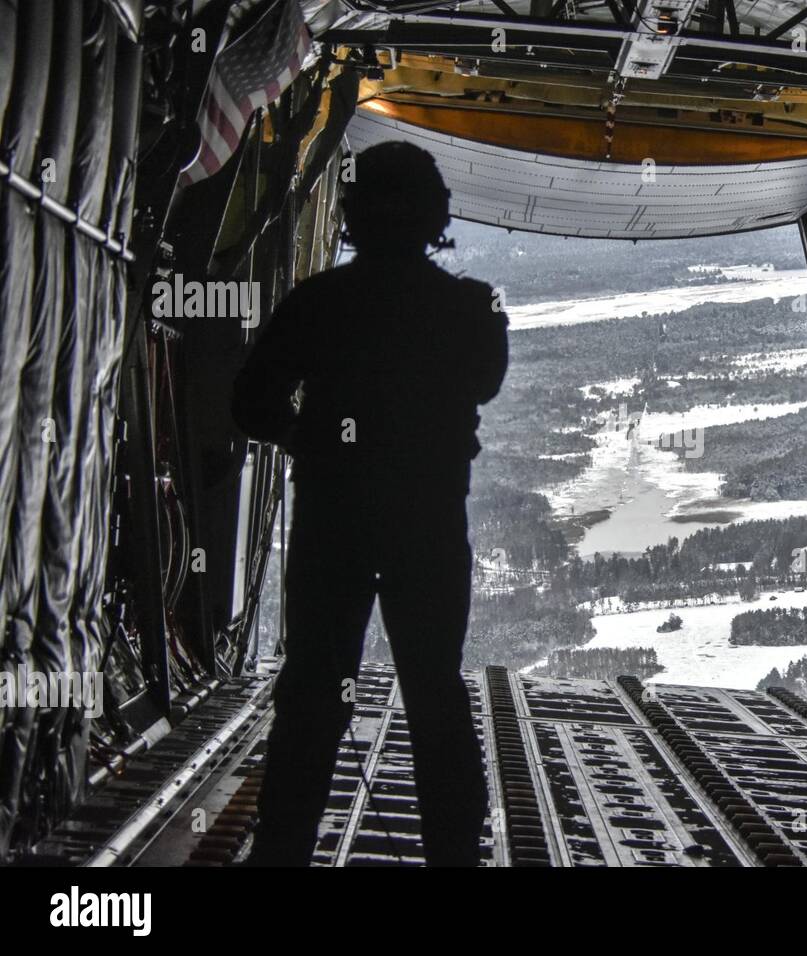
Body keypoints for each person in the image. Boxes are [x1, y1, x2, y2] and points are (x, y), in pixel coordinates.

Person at [231, 141, 507, 866]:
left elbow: (252, 405)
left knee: (314, 699)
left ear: (350, 216)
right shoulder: (468, 309)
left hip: (334, 522)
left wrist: (309, 440)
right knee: (433, 693)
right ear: (435, 217)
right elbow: (482, 383)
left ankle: (283, 851)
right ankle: (453, 853)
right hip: (428, 525)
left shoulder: (318, 303)